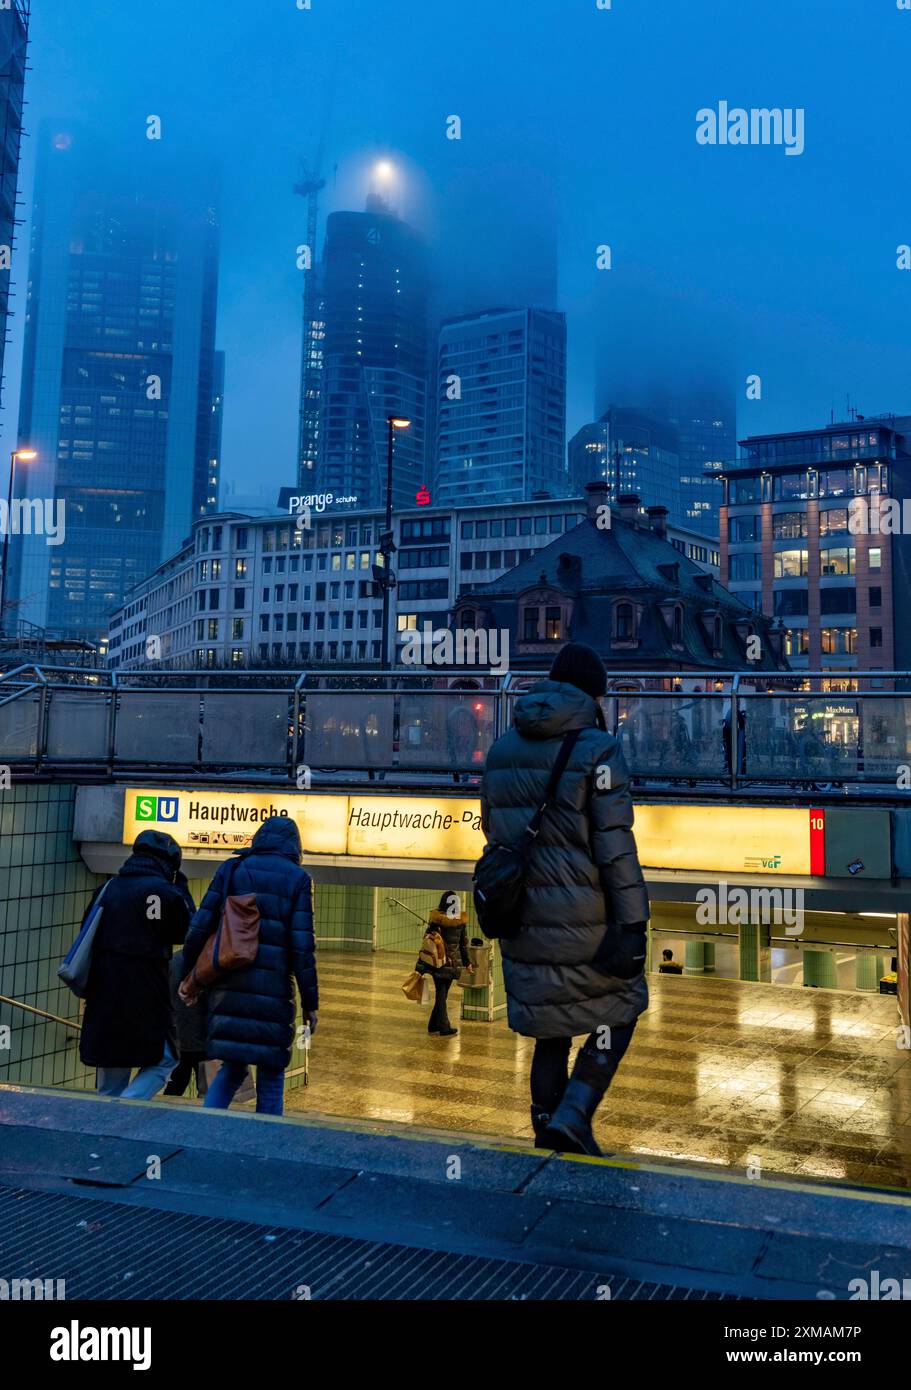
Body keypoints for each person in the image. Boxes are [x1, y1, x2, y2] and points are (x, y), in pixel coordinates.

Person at [480, 641, 650, 1156]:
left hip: (523, 918)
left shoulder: (502, 748)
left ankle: (548, 1133)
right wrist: (633, 924)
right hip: (586, 920)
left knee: (550, 1032)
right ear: (595, 694)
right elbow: (615, 847)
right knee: (622, 1009)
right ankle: (574, 1114)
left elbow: (493, 832)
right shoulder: (600, 749)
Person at [180, 815, 317, 1117]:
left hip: (229, 986)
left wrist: (190, 974)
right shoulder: (298, 879)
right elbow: (302, 948)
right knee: (271, 1073)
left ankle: (203, 1129)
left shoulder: (232, 869)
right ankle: (265, 1138)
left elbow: (199, 928)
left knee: (231, 1068)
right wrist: (311, 1004)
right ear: (294, 845)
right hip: (274, 993)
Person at [79, 830, 196, 1099]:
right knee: (166, 1058)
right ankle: (126, 1108)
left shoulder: (108, 889)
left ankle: (107, 1119)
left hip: (104, 990)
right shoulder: (164, 893)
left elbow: (87, 930)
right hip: (146, 990)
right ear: (169, 862)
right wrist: (183, 892)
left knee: (112, 1067)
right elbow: (185, 932)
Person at [416, 890, 473, 1037]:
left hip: (438, 962)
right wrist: (467, 962)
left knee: (442, 994)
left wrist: (420, 965)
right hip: (452, 963)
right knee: (442, 995)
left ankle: (433, 1025)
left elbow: (427, 940)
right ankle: (444, 1027)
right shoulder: (460, 922)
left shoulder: (436, 920)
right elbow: (463, 945)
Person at [162, 947, 209, 1097]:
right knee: (208, 1092)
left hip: (178, 1036)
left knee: (175, 1087)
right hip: (205, 1038)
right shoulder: (210, 959)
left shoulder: (173, 960)